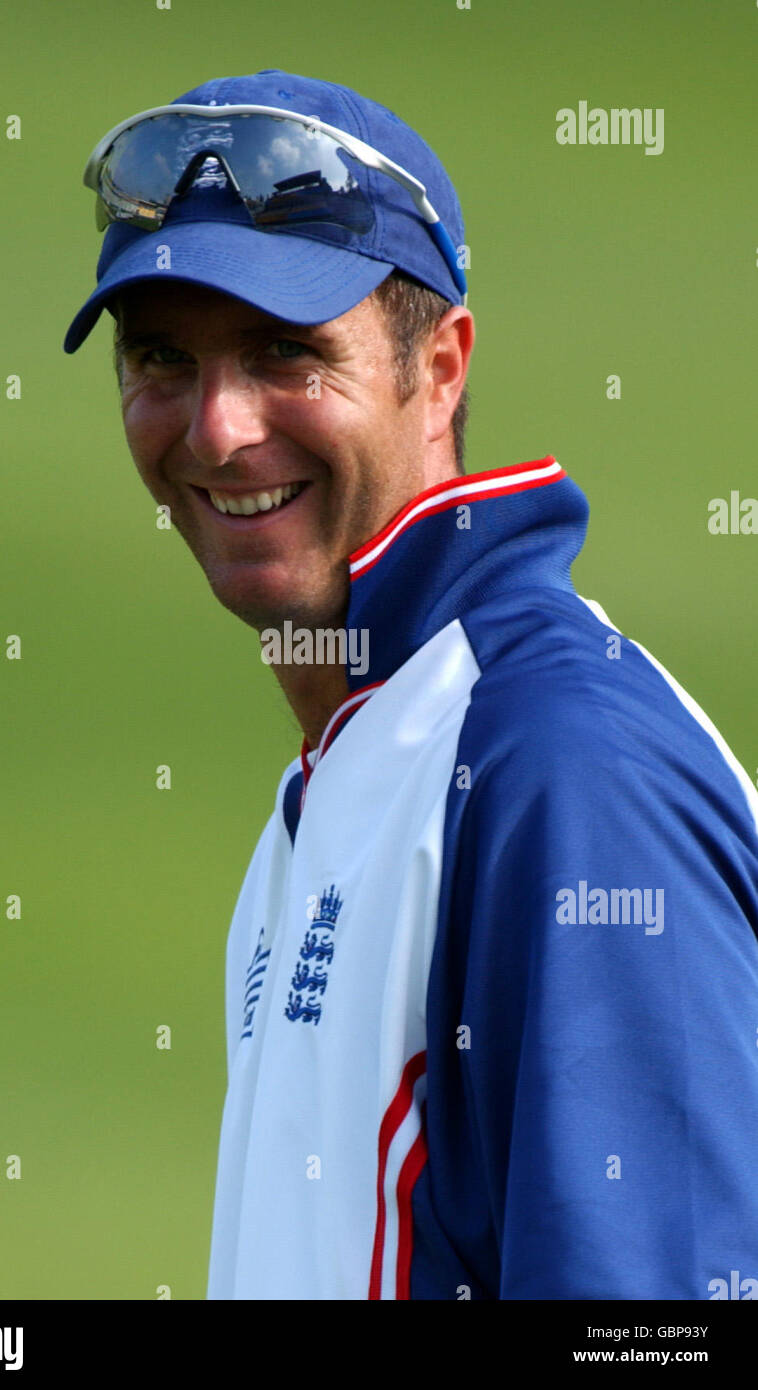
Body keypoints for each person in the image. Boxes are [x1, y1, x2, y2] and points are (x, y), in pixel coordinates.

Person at [65, 69, 758, 1301]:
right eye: (161, 356)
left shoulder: (557, 772)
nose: (215, 430)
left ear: (437, 369)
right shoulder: (347, 769)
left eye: (287, 352)